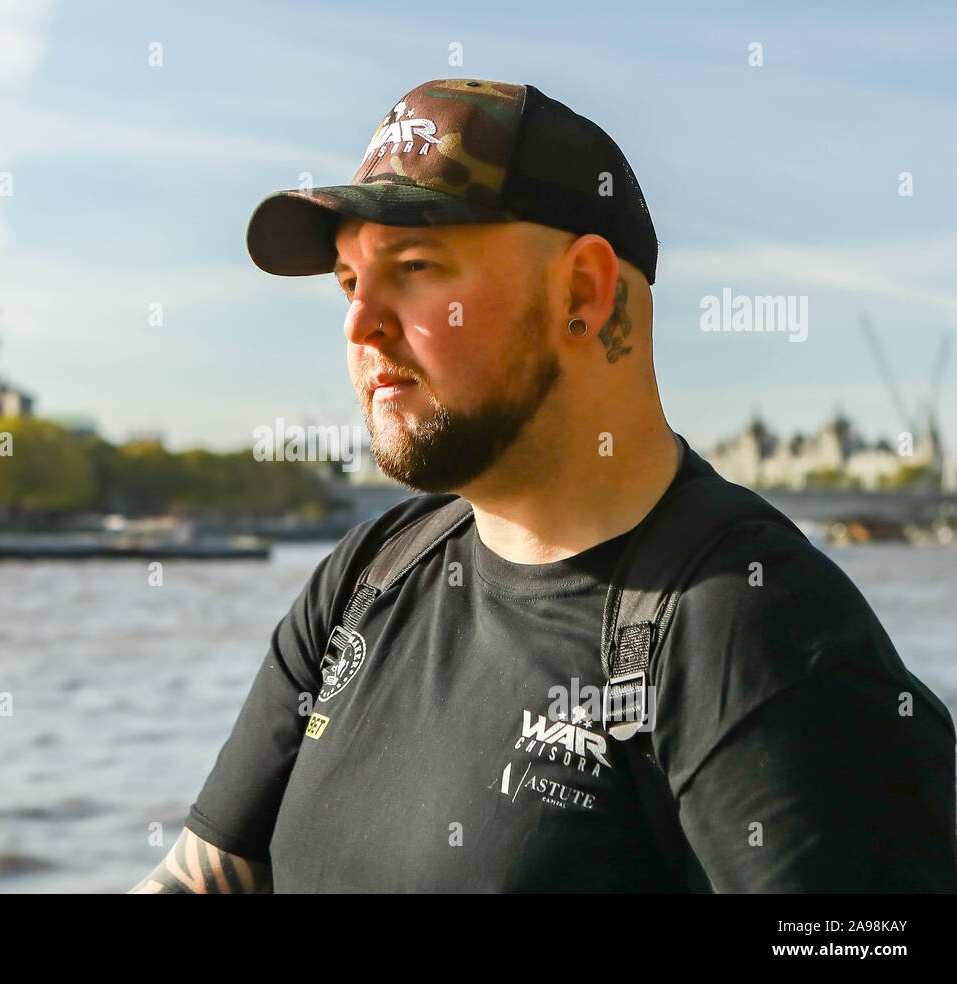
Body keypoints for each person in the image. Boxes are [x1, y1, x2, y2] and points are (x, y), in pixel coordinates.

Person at [129, 78, 957, 893]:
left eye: (415, 266)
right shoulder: (368, 576)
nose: (359, 322)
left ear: (585, 291)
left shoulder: (756, 631)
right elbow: (202, 876)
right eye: (350, 280)